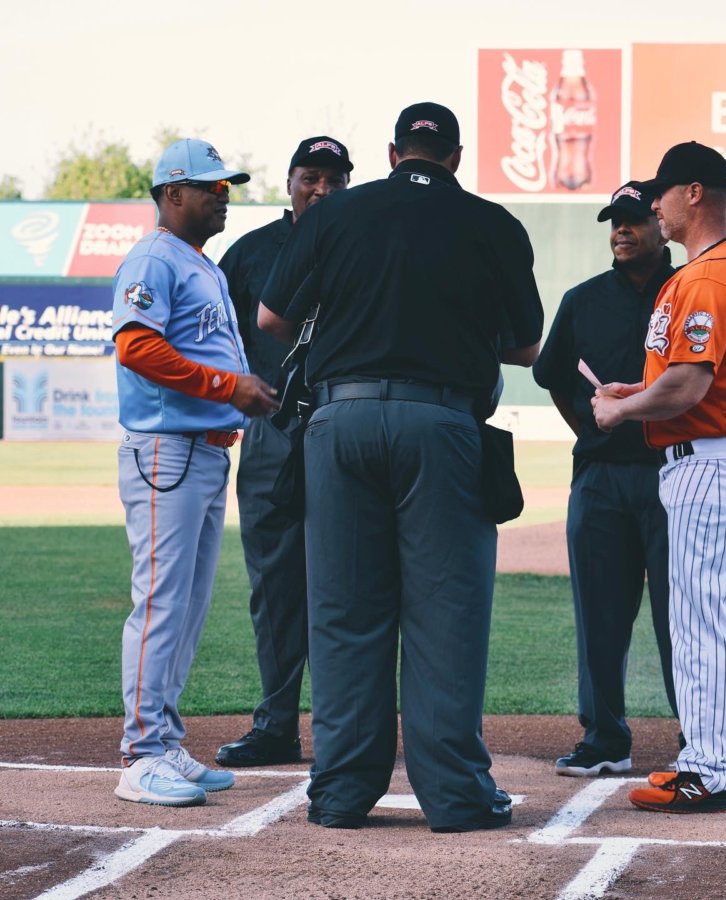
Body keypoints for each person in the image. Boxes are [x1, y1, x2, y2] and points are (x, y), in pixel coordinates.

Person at [258, 102, 544, 832]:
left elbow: (273, 320)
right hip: (441, 422)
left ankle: (342, 794)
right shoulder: (493, 224)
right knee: (442, 613)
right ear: (453, 155)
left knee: (345, 615)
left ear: (393, 154)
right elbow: (524, 343)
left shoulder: (335, 214)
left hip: (340, 422)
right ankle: (453, 795)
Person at [592, 142, 726, 813]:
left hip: (712, 460)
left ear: (694, 193)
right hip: (718, 457)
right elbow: (687, 377)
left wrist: (620, 411)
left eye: (662, 192)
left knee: (703, 620)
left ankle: (711, 768)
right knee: (704, 617)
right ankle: (721, 758)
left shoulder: (705, 279)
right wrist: (636, 388)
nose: (654, 205)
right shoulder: (722, 270)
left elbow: (690, 386)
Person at [112, 138, 279, 807]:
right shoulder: (154, 257)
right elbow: (136, 346)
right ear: (171, 193)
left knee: (185, 607)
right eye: (211, 185)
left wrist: (238, 391)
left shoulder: (197, 263)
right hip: (167, 452)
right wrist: (225, 385)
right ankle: (141, 752)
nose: (223, 194)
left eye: (227, 184)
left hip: (203, 450)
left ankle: (164, 740)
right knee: (160, 602)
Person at [533, 182, 681, 778]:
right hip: (599, 478)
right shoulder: (584, 298)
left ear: (659, 222)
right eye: (613, 222)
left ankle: (698, 736)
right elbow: (554, 378)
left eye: (632, 220)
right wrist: (593, 433)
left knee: (684, 618)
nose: (620, 231)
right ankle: (604, 739)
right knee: (600, 615)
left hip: (676, 475)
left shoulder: (689, 292)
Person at [214, 137, 353, 769]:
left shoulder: (365, 242)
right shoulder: (250, 253)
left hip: (340, 425)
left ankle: (346, 727)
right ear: (290, 180)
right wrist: (236, 397)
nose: (321, 188)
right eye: (310, 176)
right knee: (273, 584)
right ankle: (274, 723)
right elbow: (218, 339)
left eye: (334, 178)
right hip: (273, 431)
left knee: (347, 581)